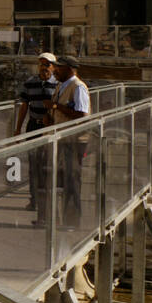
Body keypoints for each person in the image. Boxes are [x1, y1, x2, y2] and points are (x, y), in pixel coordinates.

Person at [15, 52, 59, 222]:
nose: (43, 67)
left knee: (46, 164)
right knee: (33, 163)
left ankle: (45, 200)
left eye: (47, 64)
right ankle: (34, 200)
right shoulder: (30, 83)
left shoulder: (57, 85)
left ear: (53, 67)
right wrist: (18, 129)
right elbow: (24, 106)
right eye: (41, 64)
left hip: (49, 126)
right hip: (33, 125)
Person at [50, 55, 90, 228]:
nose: (55, 70)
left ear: (70, 69)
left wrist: (56, 107)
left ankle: (72, 221)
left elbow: (82, 115)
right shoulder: (61, 85)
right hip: (62, 138)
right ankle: (63, 218)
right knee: (63, 180)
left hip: (74, 141)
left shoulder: (78, 87)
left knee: (72, 180)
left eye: (58, 67)